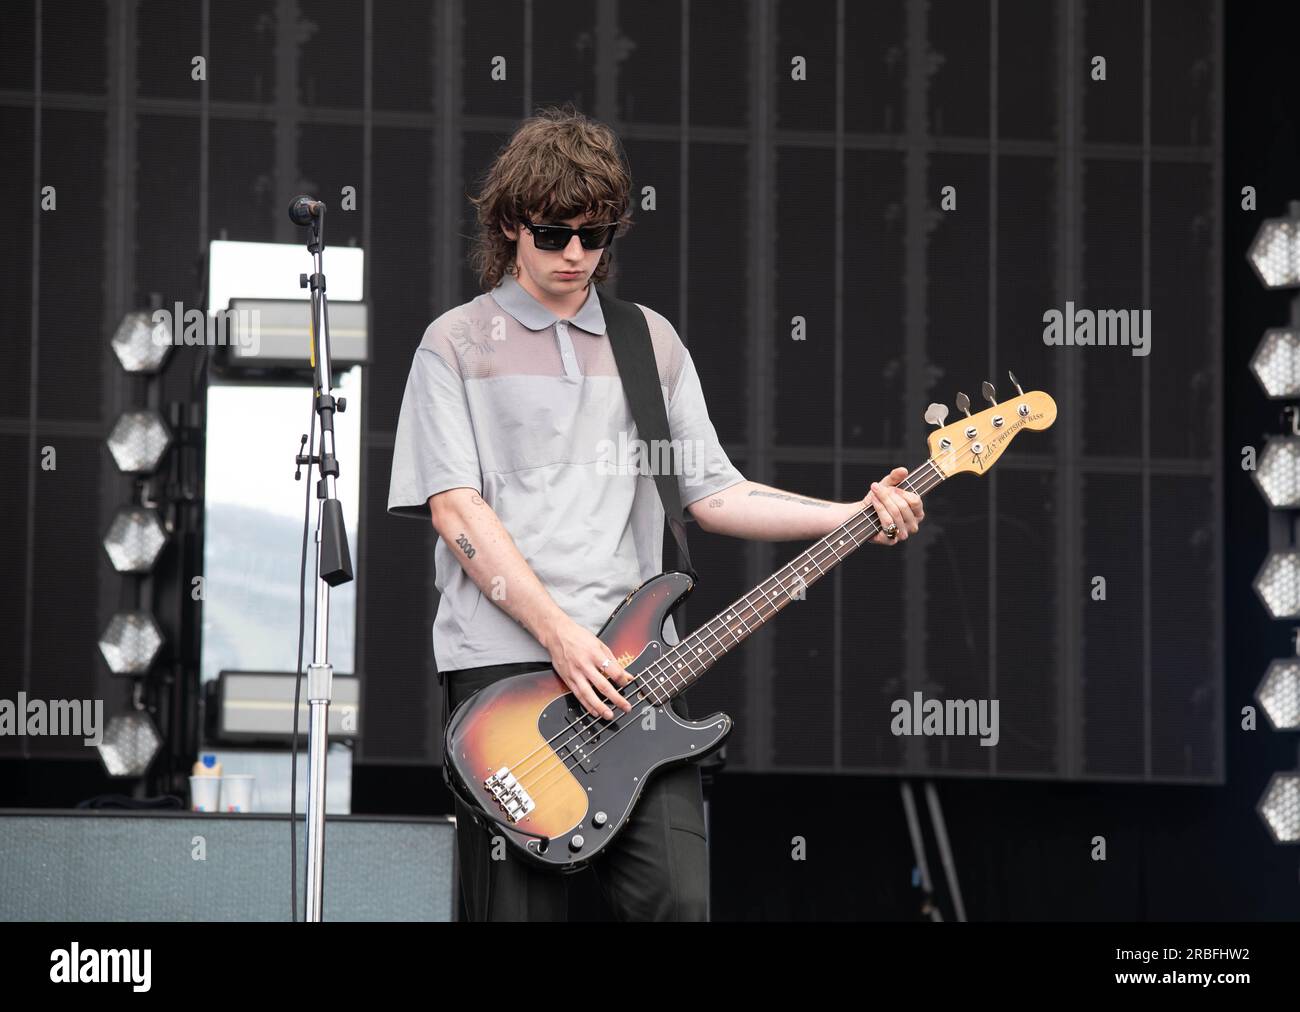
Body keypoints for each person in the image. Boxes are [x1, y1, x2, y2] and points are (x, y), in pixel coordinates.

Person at [387, 105, 924, 921]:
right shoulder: (454, 344)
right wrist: (562, 638)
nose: (575, 256)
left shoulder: (651, 343)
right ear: (507, 225)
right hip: (509, 672)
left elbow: (715, 492)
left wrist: (852, 512)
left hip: (639, 671)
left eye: (594, 237)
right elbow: (458, 511)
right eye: (552, 234)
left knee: (678, 901)